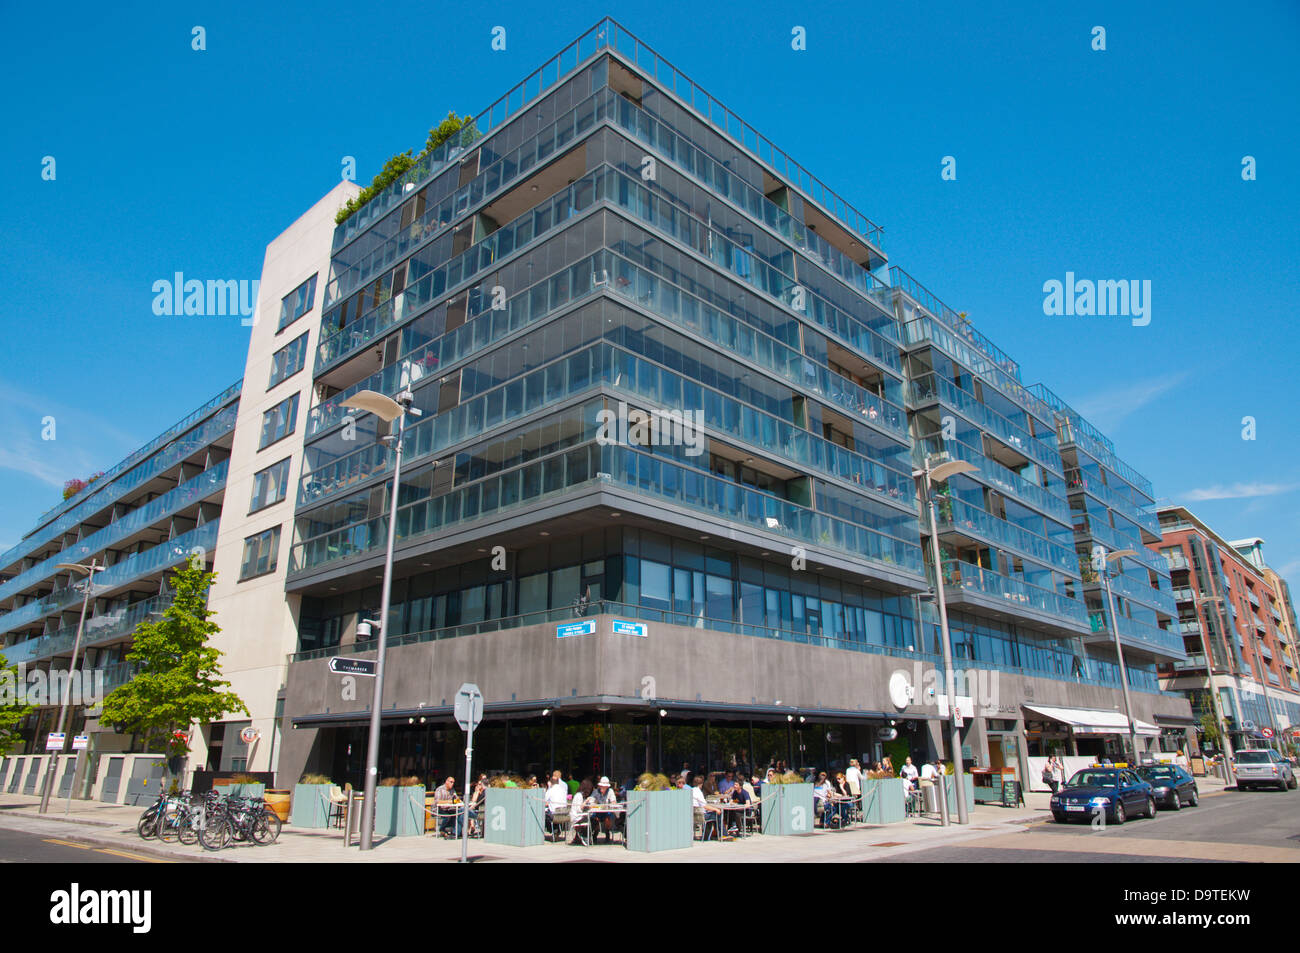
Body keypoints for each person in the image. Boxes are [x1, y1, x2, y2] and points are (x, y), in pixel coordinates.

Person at [692, 775, 723, 840]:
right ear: (701, 784)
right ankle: (722, 834)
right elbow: (705, 806)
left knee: (712, 815)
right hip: (702, 815)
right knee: (718, 814)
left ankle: (708, 836)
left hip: (694, 815)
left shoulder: (690, 790)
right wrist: (716, 809)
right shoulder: (698, 792)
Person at [590, 777, 619, 843]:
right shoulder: (596, 791)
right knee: (595, 818)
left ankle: (607, 833)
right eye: (602, 786)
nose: (603, 787)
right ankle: (595, 834)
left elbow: (613, 801)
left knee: (608, 818)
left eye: (605, 786)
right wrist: (593, 803)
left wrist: (612, 803)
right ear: (599, 785)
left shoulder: (610, 791)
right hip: (597, 811)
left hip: (606, 811)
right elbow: (591, 800)